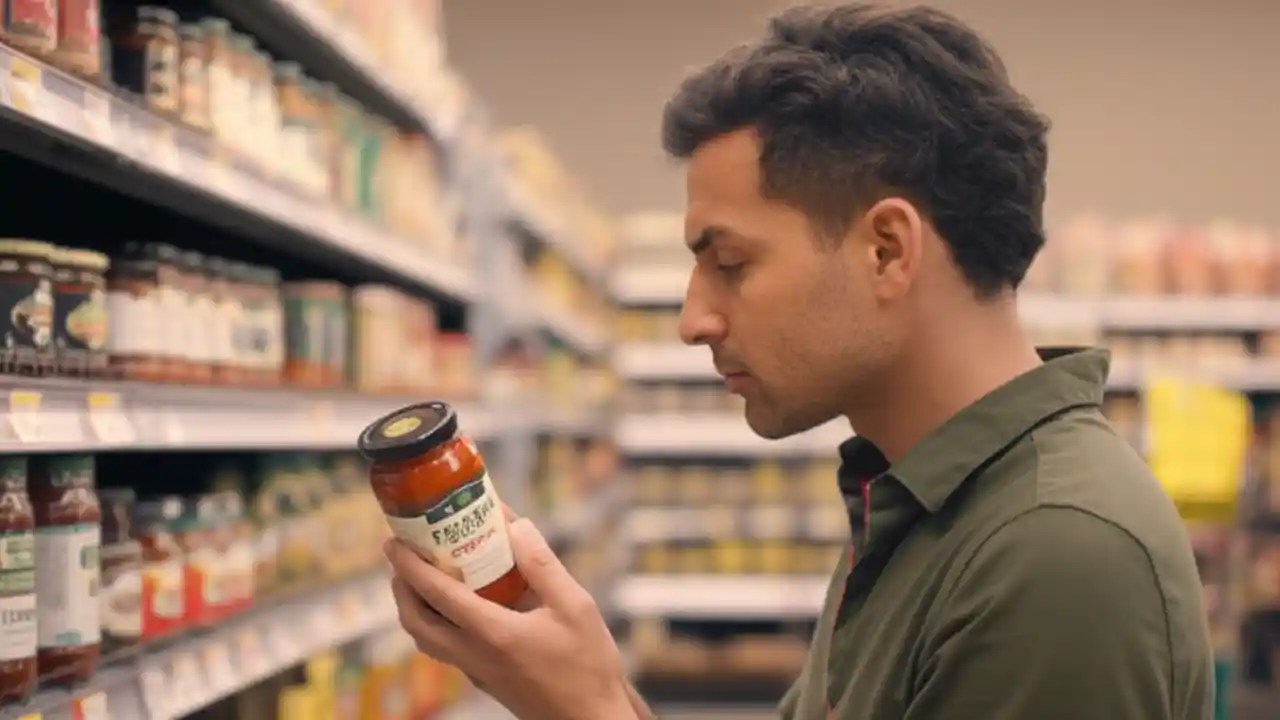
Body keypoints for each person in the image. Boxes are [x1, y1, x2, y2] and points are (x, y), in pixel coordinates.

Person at [384, 3, 1215, 719]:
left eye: (731, 264)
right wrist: (583, 684)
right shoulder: (920, 505)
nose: (692, 319)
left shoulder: (1059, 557)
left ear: (887, 251)